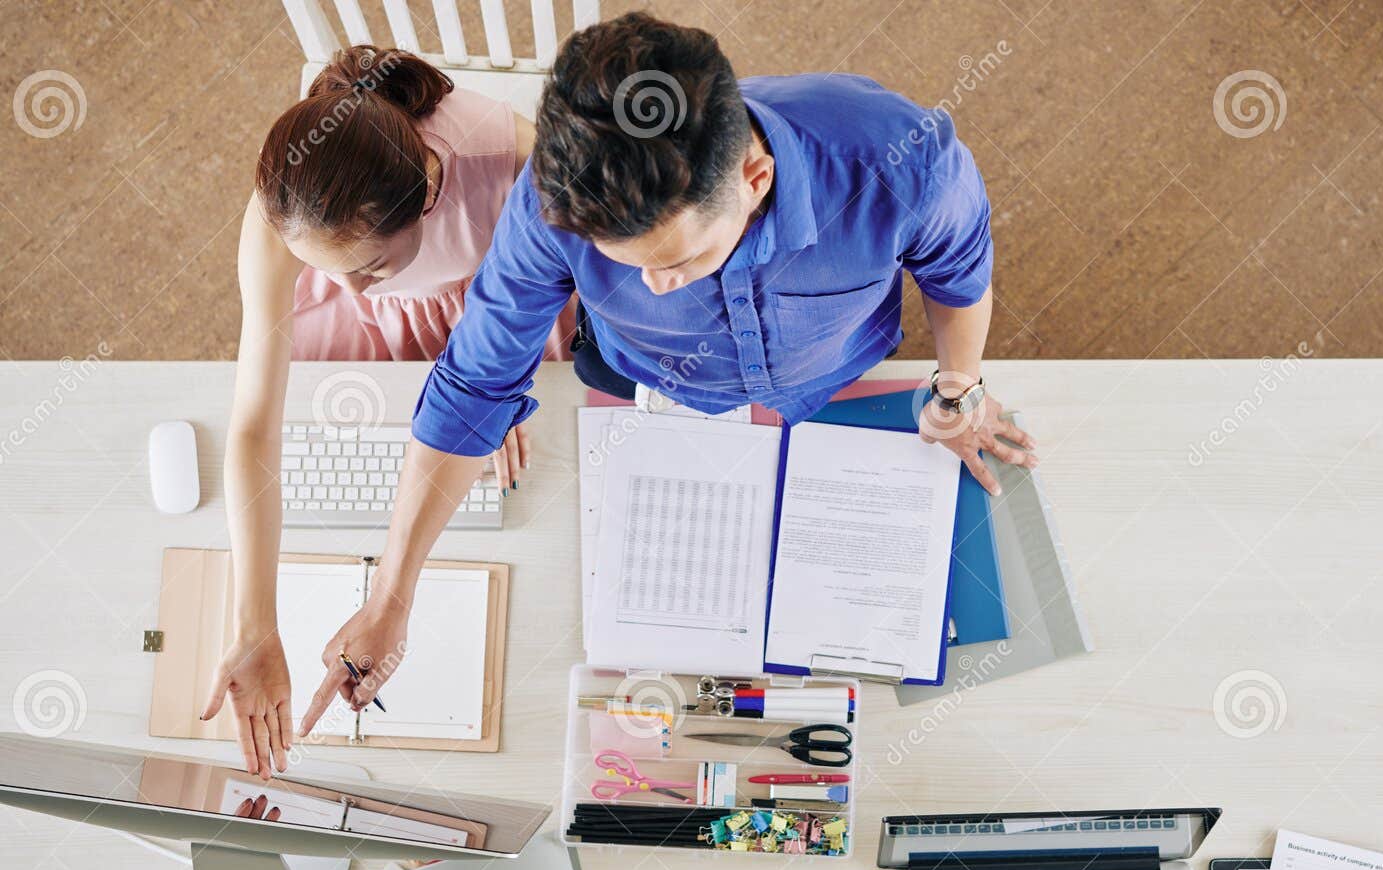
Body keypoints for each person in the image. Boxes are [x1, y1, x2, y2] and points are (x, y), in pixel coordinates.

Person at [298, 12, 1037, 734]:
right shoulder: (551, 202)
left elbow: (958, 269)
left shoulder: (898, 159)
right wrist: (391, 597)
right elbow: (473, 385)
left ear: (754, 178)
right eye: (627, 263)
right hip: (646, 382)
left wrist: (958, 387)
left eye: (678, 260)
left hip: (837, 370)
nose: (654, 287)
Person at [205, 46, 568, 776]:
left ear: (428, 193)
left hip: (493, 296)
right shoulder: (291, 207)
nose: (353, 292)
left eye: (369, 267)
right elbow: (252, 426)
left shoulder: (516, 162)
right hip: (398, 318)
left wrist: (500, 382)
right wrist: (255, 624)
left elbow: (550, 277)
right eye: (325, 270)